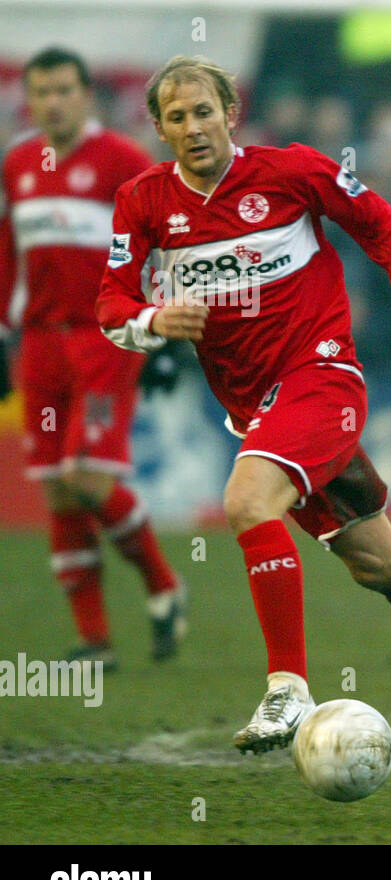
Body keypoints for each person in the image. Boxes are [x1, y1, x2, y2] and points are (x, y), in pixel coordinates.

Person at [96, 55, 391, 756]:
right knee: (380, 566)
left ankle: (287, 689)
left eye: (204, 111)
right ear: (157, 127)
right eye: (176, 117)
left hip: (321, 377)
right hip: (254, 409)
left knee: (247, 501)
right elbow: (112, 304)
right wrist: (154, 322)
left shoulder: (291, 170)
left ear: (230, 114)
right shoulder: (144, 203)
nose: (193, 127)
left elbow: (381, 226)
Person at [0, 47, 185, 669]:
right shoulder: (19, 163)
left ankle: (162, 584)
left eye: (64, 90)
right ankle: (95, 639)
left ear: (87, 96)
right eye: (42, 92)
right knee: (57, 491)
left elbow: (162, 246)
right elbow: (8, 255)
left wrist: (158, 329)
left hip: (106, 337)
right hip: (40, 344)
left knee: (88, 479)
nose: (53, 102)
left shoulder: (124, 162)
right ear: (31, 99)